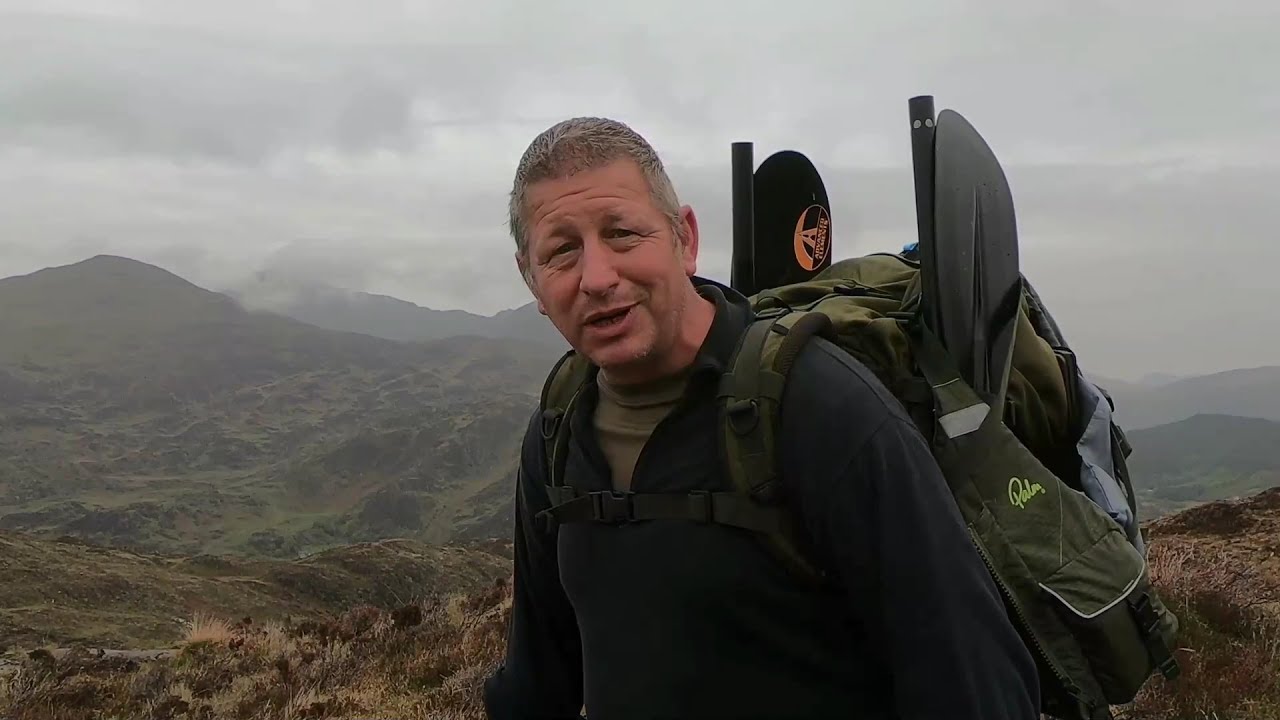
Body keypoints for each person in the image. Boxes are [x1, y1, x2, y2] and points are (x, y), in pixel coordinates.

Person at [482, 117, 1042, 720]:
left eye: (622, 234)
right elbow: (537, 685)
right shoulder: (558, 429)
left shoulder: (820, 409)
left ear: (684, 239)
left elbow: (975, 685)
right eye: (562, 250)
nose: (596, 277)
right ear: (532, 280)